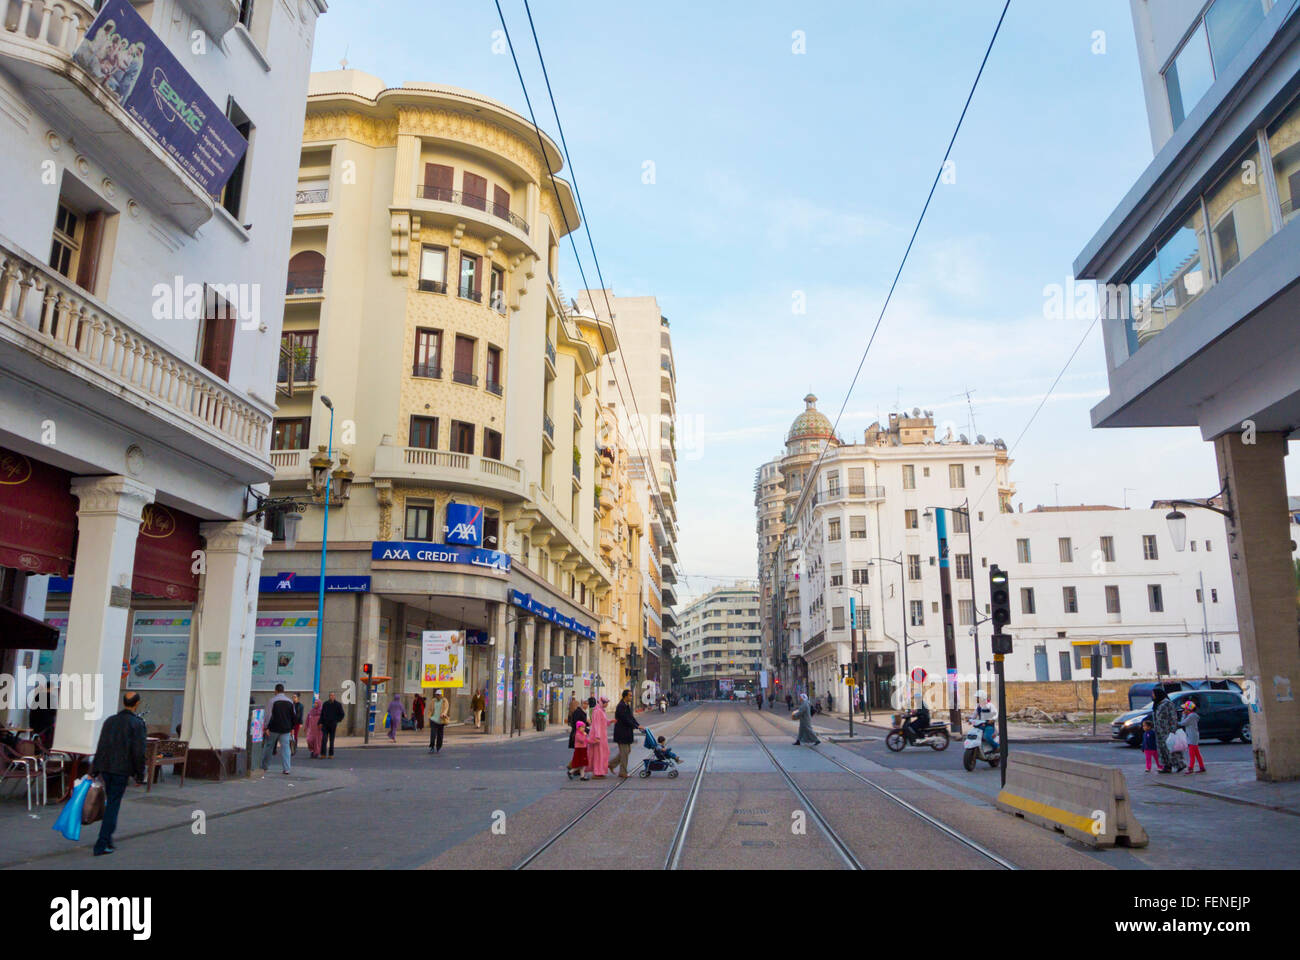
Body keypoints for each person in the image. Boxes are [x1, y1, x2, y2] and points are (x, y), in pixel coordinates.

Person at [90, 691, 146, 856]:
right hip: (121, 770)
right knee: (113, 806)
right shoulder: (137, 723)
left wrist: (94, 770)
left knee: (111, 802)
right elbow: (138, 752)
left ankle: (108, 840)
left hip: (106, 768)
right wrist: (139, 774)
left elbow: (102, 745)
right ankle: (102, 843)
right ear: (137, 704)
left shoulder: (110, 721)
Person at [262, 684, 296, 774]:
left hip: (273, 728)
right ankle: (287, 768)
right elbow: (293, 716)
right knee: (286, 748)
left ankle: (264, 767)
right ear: (283, 691)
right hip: (286, 729)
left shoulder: (272, 701)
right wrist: (292, 728)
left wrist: (266, 727)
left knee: (269, 747)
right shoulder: (290, 702)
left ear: (276, 691)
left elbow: (268, 716)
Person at [611, 689, 642, 778]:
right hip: (622, 733)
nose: (631, 697)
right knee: (624, 752)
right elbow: (625, 719)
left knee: (627, 751)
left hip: (626, 732)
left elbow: (631, 718)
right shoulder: (621, 706)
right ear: (625, 696)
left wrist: (638, 725)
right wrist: (636, 726)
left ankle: (611, 764)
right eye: (630, 696)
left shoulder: (626, 705)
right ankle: (623, 772)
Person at [1152, 687, 1182, 773]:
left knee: (1170, 748)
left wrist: (1173, 729)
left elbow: (1173, 717)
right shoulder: (1157, 704)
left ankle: (1179, 764)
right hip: (1159, 731)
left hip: (1167, 730)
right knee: (1162, 749)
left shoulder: (1167, 703)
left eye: (1153, 694)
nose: (1152, 696)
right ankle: (1167, 766)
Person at [587, 696, 611, 778]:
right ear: (602, 703)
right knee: (598, 755)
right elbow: (596, 724)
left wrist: (610, 721)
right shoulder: (597, 711)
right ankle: (597, 772)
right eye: (606, 703)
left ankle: (600, 771)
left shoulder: (601, 711)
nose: (607, 704)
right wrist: (597, 736)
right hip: (599, 736)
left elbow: (603, 722)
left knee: (603, 754)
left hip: (602, 736)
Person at [1180, 700, 1206, 774]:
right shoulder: (1193, 715)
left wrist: (1183, 715)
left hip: (1192, 736)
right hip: (1193, 735)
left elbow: (1183, 723)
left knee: (1192, 753)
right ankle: (1201, 766)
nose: (1184, 710)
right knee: (1196, 752)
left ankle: (1191, 768)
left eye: (1185, 709)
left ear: (1189, 709)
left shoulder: (1191, 716)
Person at [320, 693, 344, 758]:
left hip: (333, 725)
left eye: (333, 695)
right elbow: (322, 714)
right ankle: (323, 754)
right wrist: (320, 722)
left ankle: (331, 754)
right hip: (325, 724)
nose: (332, 697)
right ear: (329, 696)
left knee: (331, 740)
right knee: (324, 740)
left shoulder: (338, 705)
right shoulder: (325, 704)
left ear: (334, 696)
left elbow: (342, 714)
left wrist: (337, 720)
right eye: (330, 695)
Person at [428, 689, 448, 753]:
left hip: (441, 720)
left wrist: (444, 714)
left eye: (439, 695)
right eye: (437, 695)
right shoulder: (433, 701)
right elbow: (430, 709)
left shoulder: (444, 701)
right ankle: (432, 746)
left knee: (440, 735)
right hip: (433, 720)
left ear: (441, 695)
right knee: (433, 734)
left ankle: (438, 747)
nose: (438, 696)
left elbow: (446, 708)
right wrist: (429, 716)